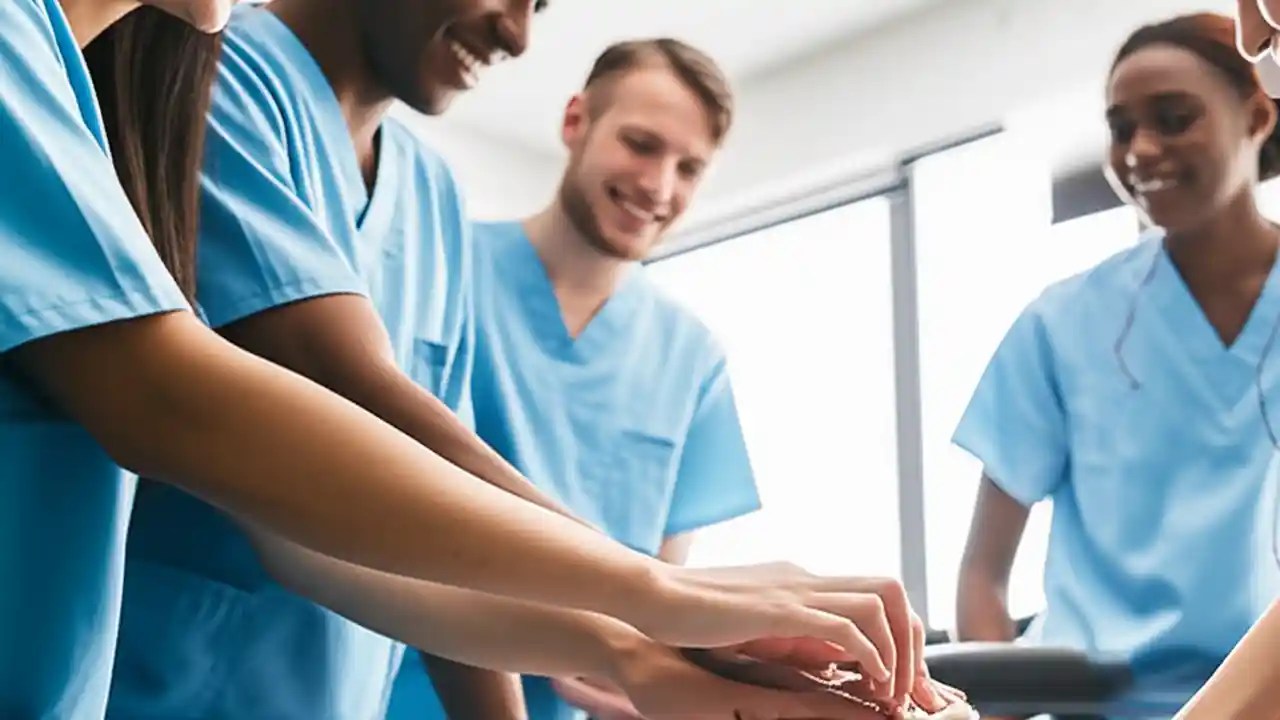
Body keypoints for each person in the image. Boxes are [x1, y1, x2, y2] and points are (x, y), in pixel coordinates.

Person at [1, 0, 931, 717]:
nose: (522, 33)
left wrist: (641, 649)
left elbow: (323, 547)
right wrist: (655, 597)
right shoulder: (157, 79)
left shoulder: (419, 197)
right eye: (642, 145)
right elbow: (193, 408)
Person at [386, 38, 766, 720]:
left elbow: (663, 591)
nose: (658, 185)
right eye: (641, 144)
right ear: (575, 122)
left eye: (689, 168)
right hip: (403, 686)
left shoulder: (692, 357)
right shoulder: (439, 264)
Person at [954, 11, 1280, 717]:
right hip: (1092, 706)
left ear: (1257, 116)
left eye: (1173, 117)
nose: (1141, 149)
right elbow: (984, 574)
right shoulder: (1062, 324)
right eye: (1121, 128)